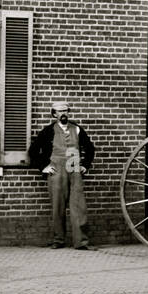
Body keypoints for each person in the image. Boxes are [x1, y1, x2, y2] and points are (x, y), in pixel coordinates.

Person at [28, 100, 95, 251]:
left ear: (68, 113)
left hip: (74, 167)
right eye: (59, 111)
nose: (63, 114)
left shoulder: (77, 129)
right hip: (56, 170)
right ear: (54, 114)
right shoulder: (48, 131)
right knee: (58, 207)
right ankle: (58, 240)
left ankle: (81, 242)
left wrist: (85, 165)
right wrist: (44, 167)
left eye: (65, 111)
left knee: (78, 206)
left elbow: (90, 148)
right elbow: (33, 151)